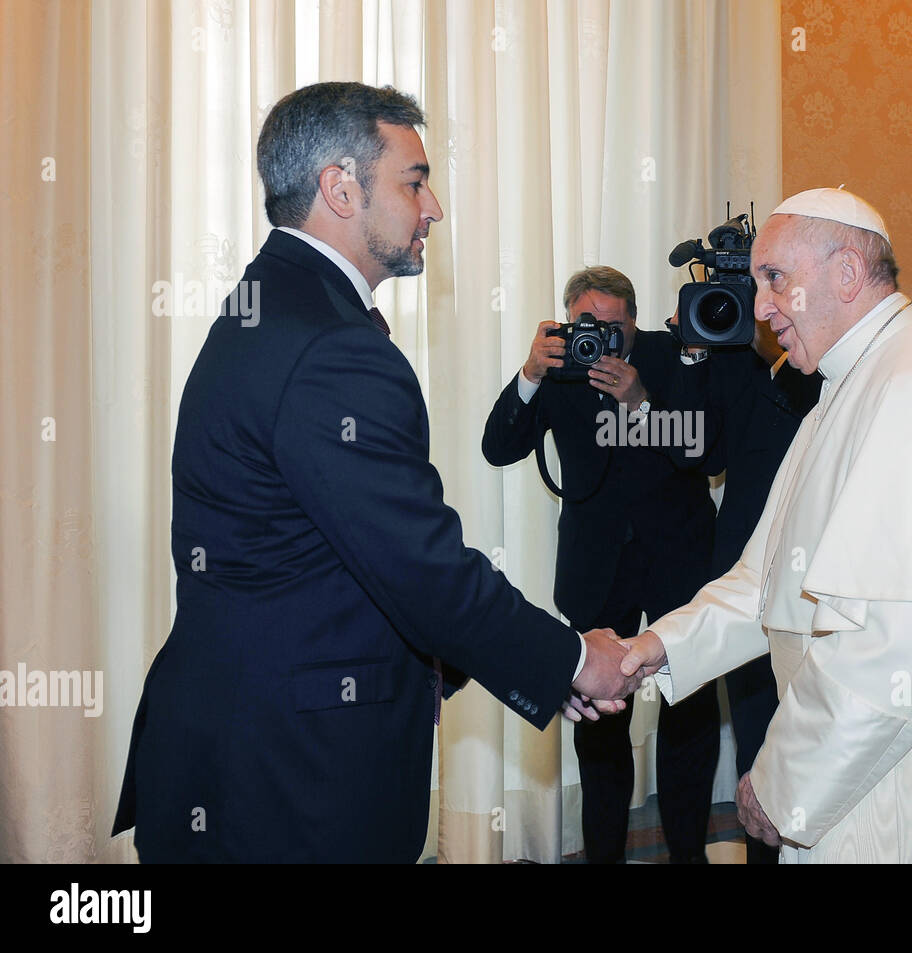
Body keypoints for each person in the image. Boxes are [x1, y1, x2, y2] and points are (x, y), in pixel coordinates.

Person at [110, 82, 637, 863]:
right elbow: (419, 567)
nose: (434, 209)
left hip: (239, 750)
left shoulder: (266, 300)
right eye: (415, 180)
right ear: (341, 187)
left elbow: (347, 562)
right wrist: (569, 659)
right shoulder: (331, 344)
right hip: (291, 784)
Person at [618, 187, 912, 863]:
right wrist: (656, 645)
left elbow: (895, 653)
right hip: (884, 753)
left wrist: (780, 785)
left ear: (846, 273)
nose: (760, 306)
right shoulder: (846, 383)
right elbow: (770, 575)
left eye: (775, 277)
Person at [482, 268, 720, 863]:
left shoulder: (673, 354)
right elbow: (498, 447)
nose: (602, 337)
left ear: (634, 320)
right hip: (597, 566)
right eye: (590, 324)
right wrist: (532, 374)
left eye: (614, 326)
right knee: (600, 726)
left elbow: (704, 454)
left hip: (678, 560)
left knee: (687, 713)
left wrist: (639, 400)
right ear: (569, 320)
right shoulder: (560, 364)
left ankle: (689, 852)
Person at [662, 311, 820, 863]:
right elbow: (695, 452)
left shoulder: (836, 366)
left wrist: (772, 358)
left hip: (819, 588)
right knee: (756, 750)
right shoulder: (730, 362)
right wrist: (693, 354)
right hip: (745, 587)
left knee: (808, 746)